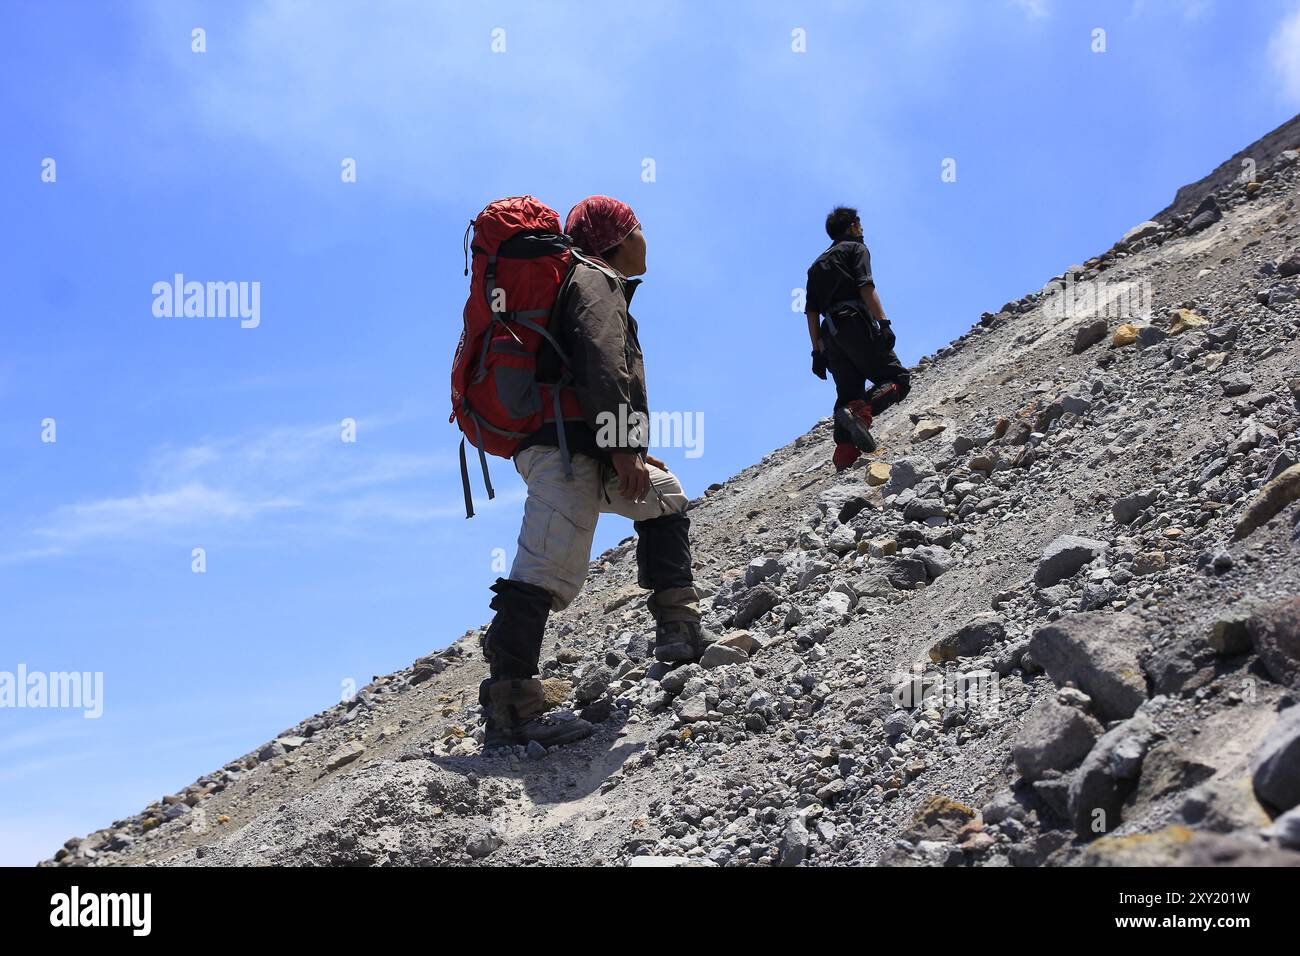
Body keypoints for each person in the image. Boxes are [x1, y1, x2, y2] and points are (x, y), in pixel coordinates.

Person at [478, 196, 706, 749]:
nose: (645, 238)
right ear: (619, 240)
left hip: (581, 446)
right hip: (564, 449)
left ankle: (677, 629)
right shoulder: (594, 280)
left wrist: (623, 452)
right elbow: (602, 365)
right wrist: (623, 448)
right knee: (547, 568)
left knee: (665, 497)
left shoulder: (589, 280)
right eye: (639, 228)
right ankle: (512, 709)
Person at [804, 206, 911, 471]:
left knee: (846, 394)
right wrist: (883, 323)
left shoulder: (816, 266)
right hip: (854, 322)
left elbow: (811, 312)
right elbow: (866, 286)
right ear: (852, 226)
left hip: (829, 337)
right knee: (898, 379)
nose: (862, 228)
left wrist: (816, 352)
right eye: (859, 223)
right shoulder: (855, 249)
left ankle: (844, 459)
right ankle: (859, 414)